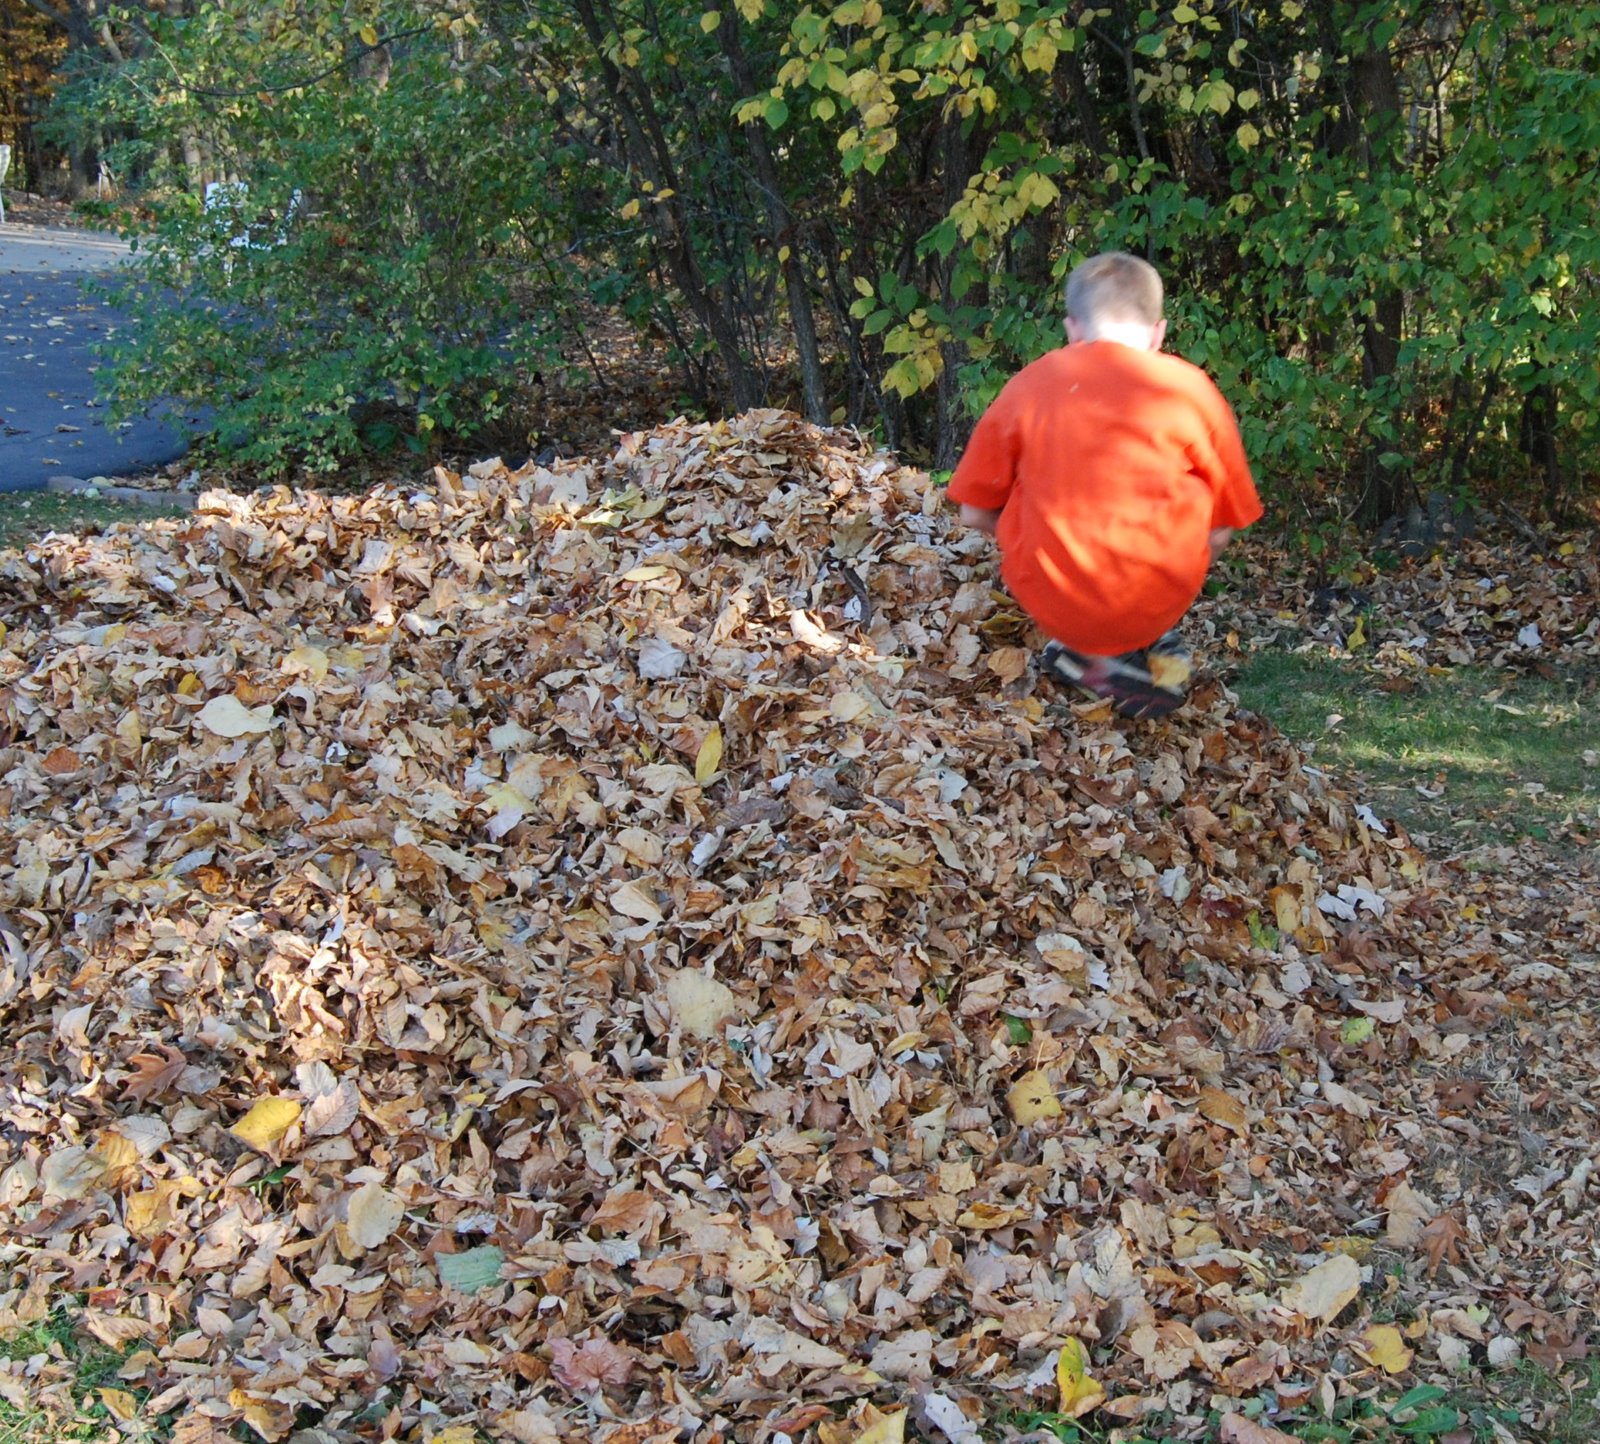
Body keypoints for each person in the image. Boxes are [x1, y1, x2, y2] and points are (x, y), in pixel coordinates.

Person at [947, 251, 1261, 718]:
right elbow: (1225, 527)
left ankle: (1089, 648)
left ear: (1072, 329)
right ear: (1159, 333)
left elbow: (972, 513)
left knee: (1031, 488)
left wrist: (1035, 537)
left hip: (1051, 596)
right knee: (1202, 511)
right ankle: (1137, 634)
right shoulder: (1191, 390)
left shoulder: (1029, 387)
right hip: (1159, 593)